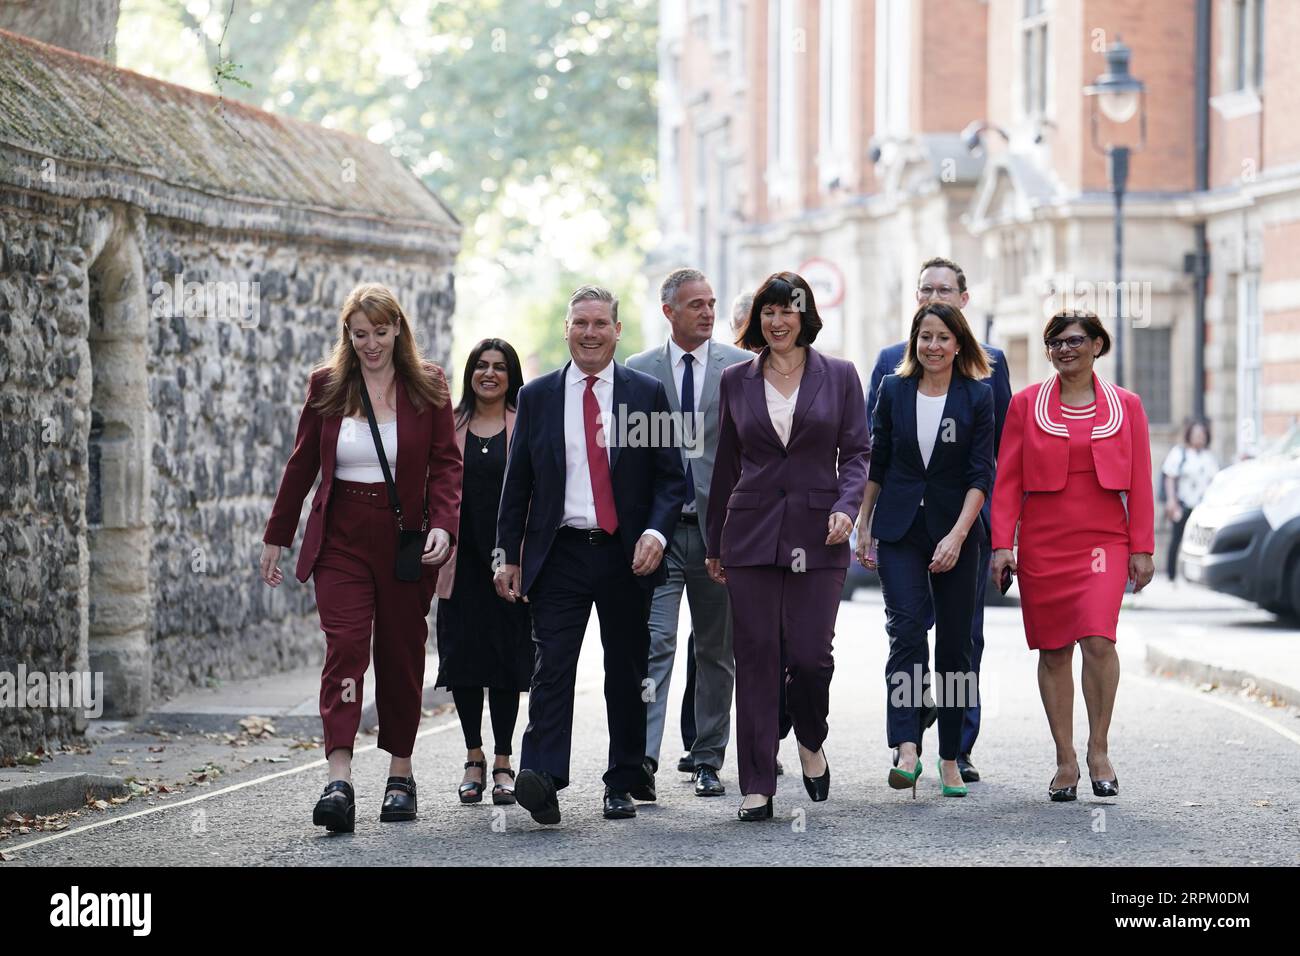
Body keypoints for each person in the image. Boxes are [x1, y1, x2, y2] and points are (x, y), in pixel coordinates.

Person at [260, 283, 462, 832]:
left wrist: (444, 525)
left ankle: (400, 774)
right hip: (341, 538)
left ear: (398, 328)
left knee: (401, 655)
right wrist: (276, 535)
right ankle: (339, 779)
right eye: (359, 334)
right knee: (345, 649)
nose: (370, 344)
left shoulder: (429, 386)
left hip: (404, 540)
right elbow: (302, 465)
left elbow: (446, 464)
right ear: (347, 336)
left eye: (379, 332)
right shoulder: (327, 385)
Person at [493, 285, 687, 824]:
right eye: (580, 323)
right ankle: (542, 777)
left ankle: (623, 778)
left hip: (627, 554)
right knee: (552, 666)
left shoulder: (646, 394)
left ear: (618, 331)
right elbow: (518, 485)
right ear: (567, 328)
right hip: (559, 553)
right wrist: (506, 555)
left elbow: (673, 480)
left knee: (625, 671)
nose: (590, 333)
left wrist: (657, 533)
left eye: (601, 323)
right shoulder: (537, 397)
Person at [705, 272, 871, 821]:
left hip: (819, 534)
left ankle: (810, 738)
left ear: (805, 316)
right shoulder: (735, 379)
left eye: (787, 310)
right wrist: (714, 543)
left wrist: (847, 508)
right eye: (768, 311)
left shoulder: (841, 376)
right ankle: (756, 784)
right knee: (755, 656)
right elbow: (726, 464)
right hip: (749, 535)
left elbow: (857, 454)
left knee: (809, 656)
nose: (777, 321)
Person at [990, 310, 1155, 801]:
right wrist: (1003, 544)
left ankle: (1098, 749)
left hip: (1104, 539)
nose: (1065, 349)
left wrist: (1143, 548)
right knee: (1054, 648)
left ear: (1098, 345)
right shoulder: (1024, 406)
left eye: (1076, 340)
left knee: (1099, 640)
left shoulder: (1128, 406)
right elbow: (1008, 481)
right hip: (1044, 540)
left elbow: (1142, 480)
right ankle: (1064, 759)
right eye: (1055, 343)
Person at [865, 256, 1011, 783]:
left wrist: (981, 535)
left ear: (963, 305)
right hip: (902, 523)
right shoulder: (891, 374)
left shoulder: (985, 375)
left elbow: (991, 459)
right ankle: (906, 745)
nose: (934, 299)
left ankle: (955, 751)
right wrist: (862, 521)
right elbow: (874, 452)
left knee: (958, 641)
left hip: (963, 526)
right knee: (905, 631)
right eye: (925, 291)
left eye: (944, 290)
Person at [626, 269, 752, 798]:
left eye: (712, 303)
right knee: (654, 643)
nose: (706, 312)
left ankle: (706, 757)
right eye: (695, 304)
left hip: (716, 533)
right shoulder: (637, 370)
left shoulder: (741, 367)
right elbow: (628, 457)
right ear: (668, 312)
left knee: (715, 650)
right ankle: (644, 760)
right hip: (657, 531)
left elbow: (751, 450)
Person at [434, 338, 531, 805]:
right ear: (469, 373)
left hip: (509, 563)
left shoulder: (526, 424)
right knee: (465, 662)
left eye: (499, 367)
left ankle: (503, 761)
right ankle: (473, 756)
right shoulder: (449, 425)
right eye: (481, 366)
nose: (489, 374)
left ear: (511, 376)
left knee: (506, 663)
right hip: (461, 562)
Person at [1162, 419, 1218, 581]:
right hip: (1182, 504)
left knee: (1200, 541)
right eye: (1196, 434)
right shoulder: (1180, 453)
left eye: (1202, 435)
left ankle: (1196, 575)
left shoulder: (1209, 457)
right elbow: (1170, 477)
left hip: (1202, 507)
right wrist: (1171, 500)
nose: (1199, 438)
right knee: (1176, 539)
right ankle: (1171, 575)